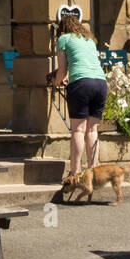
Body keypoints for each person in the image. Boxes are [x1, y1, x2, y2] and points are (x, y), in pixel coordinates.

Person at [48, 13, 108, 177]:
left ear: (62, 29)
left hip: (81, 85)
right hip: (101, 83)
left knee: (78, 130)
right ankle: (94, 171)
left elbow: (61, 71)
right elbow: (84, 63)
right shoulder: (89, 40)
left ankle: (75, 172)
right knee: (92, 130)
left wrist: (56, 82)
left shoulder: (63, 39)